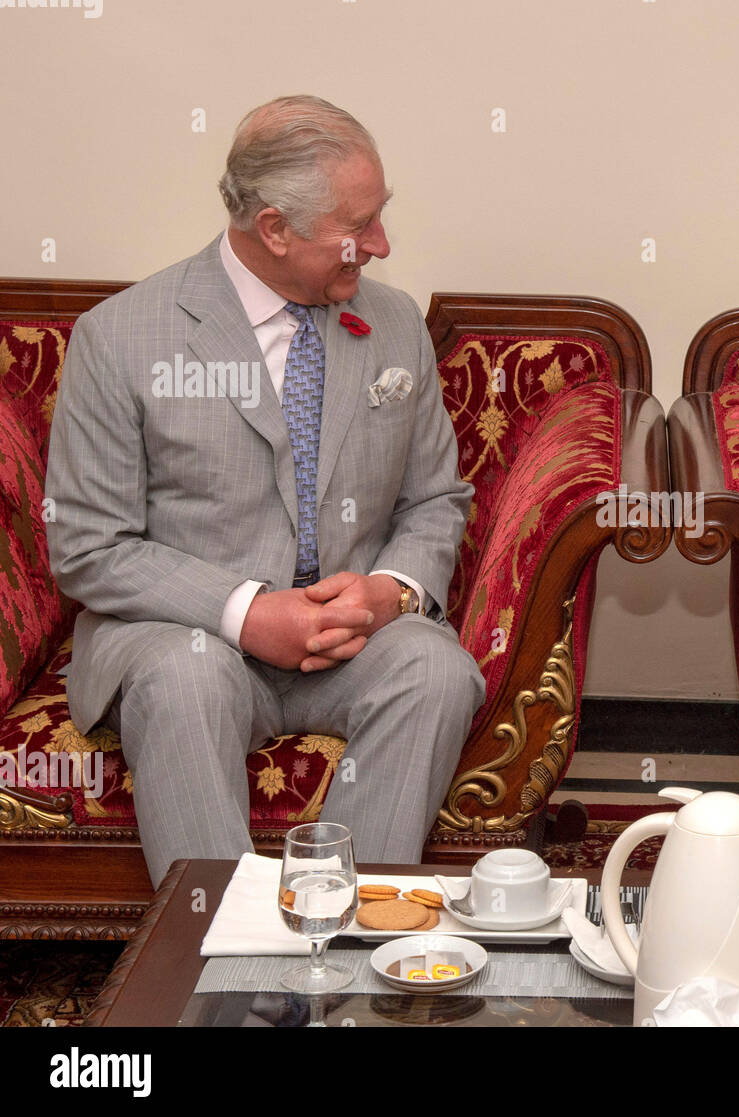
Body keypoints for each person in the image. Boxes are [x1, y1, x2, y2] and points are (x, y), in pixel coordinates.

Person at [46, 96, 485, 887]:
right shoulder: (120, 338)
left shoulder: (393, 327)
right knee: (187, 676)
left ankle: (345, 955)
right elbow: (88, 546)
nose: (382, 246)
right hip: (187, 635)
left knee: (437, 670)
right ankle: (234, 981)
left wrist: (390, 592)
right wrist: (248, 612)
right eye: (359, 226)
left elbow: (435, 499)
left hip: (353, 644)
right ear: (275, 227)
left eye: (380, 216)